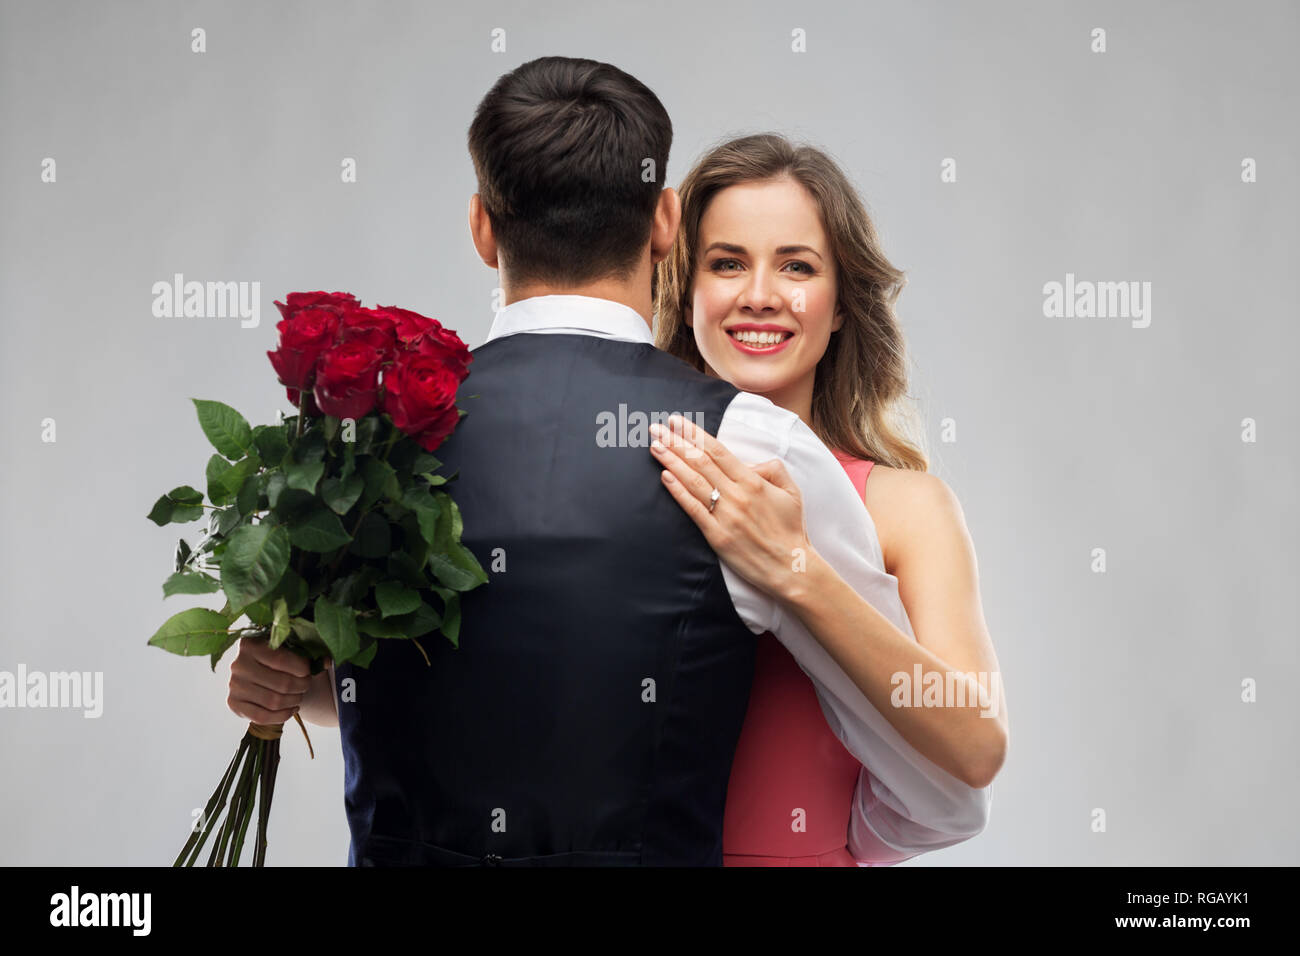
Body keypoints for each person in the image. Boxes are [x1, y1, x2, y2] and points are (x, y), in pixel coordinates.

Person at [226, 56, 992, 866]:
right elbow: (943, 785)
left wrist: (286, 684)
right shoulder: (753, 449)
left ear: (482, 227)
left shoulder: (370, 441)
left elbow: (407, 673)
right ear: (667, 224)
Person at [649, 134, 1008, 865]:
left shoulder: (907, 509)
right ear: (686, 293)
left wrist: (796, 571)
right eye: (727, 263)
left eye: (796, 266)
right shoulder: (636, 470)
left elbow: (976, 747)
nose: (758, 294)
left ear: (841, 304)